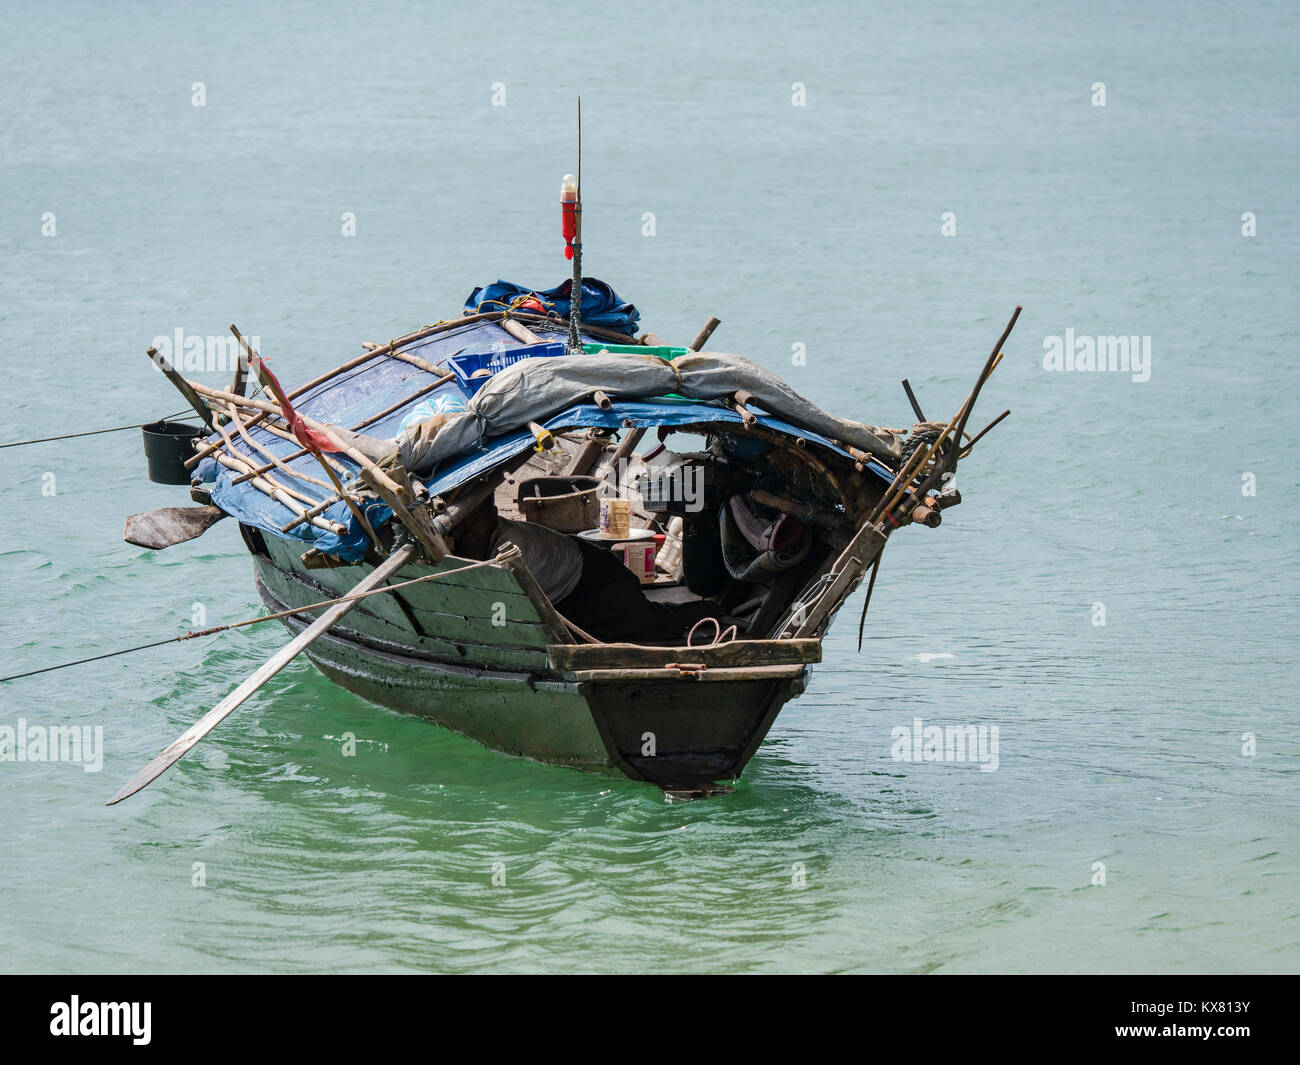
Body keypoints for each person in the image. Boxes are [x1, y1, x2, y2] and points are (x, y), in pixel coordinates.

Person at [452, 495, 718, 643]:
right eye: (459, 524)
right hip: (568, 589)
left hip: (595, 581)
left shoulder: (510, 548)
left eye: (473, 521)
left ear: (493, 514)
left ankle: (702, 612)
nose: (466, 532)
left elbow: (502, 615)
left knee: (650, 628)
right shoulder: (476, 539)